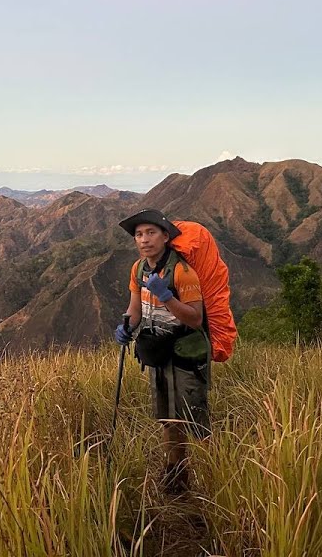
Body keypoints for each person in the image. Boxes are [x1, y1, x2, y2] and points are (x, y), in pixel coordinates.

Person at [113, 208, 212, 495]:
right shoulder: (138, 269)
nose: (144, 240)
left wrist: (166, 296)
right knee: (168, 418)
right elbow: (135, 309)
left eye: (151, 232)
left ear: (166, 236)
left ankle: (209, 476)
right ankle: (176, 474)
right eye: (139, 234)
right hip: (158, 352)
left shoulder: (182, 272)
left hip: (185, 354)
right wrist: (126, 328)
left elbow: (195, 318)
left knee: (194, 419)